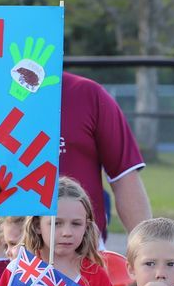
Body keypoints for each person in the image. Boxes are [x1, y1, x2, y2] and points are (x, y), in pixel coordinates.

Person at [60, 72, 152, 238]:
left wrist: (147, 244)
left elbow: (123, 176)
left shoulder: (86, 94)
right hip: (6, 246)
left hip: (83, 246)